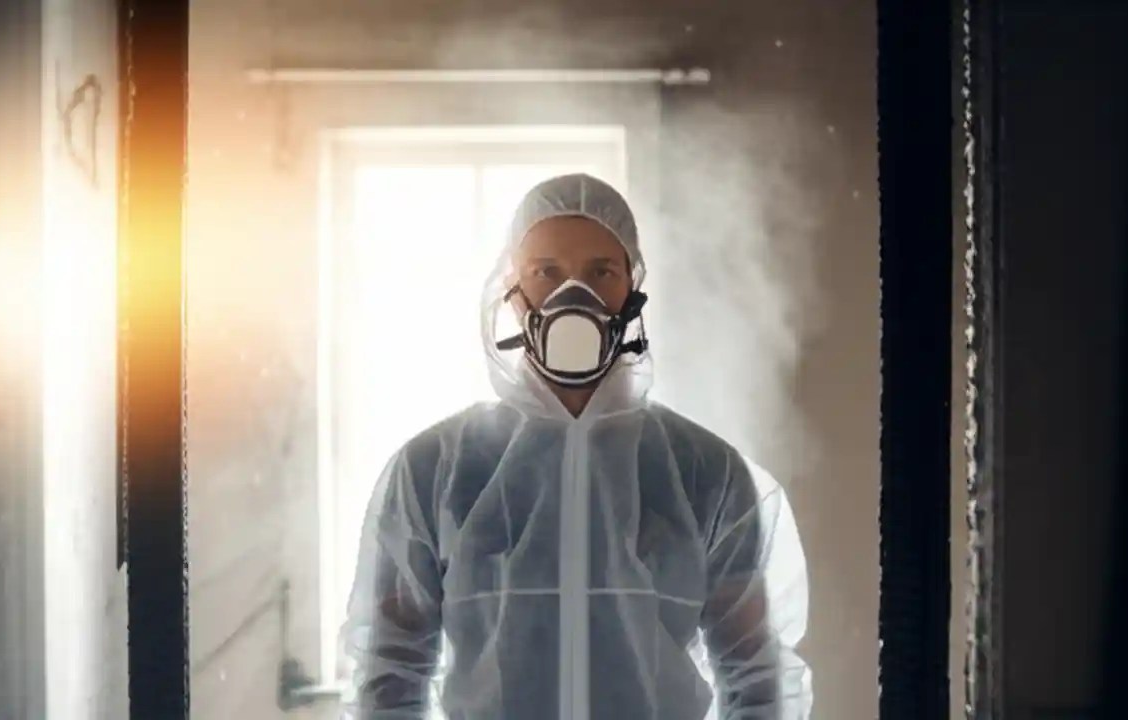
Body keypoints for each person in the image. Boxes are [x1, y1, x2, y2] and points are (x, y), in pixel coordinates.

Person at [341, 174, 812, 719]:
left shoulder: (705, 473)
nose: (574, 296)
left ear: (631, 288)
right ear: (513, 293)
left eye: (601, 272)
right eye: (546, 272)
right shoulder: (435, 471)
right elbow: (390, 673)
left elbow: (755, 676)